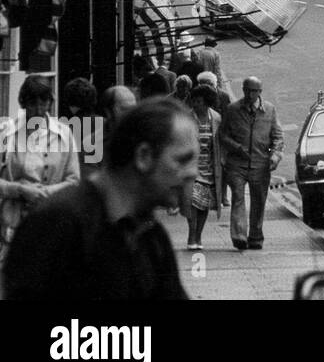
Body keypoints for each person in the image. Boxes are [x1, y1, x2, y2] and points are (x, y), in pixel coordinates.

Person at [1, 97, 195, 300]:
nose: (193, 172)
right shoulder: (56, 224)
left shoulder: (150, 235)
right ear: (144, 157)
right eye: (183, 159)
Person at [0, 76, 81, 268]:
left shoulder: (64, 133)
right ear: (23, 103)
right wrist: (19, 189)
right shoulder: (6, 132)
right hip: (13, 221)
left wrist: (46, 193)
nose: (38, 109)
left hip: (51, 219)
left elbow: (73, 179)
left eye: (43, 102)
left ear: (50, 103)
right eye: (32, 103)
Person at [220, 77, 283, 250]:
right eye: (247, 90)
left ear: (260, 92)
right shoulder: (232, 109)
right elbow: (223, 135)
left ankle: (255, 236)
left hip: (260, 164)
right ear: (243, 89)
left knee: (258, 200)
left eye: (253, 91)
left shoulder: (269, 110)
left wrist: (275, 156)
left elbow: (278, 137)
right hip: (237, 164)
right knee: (238, 198)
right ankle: (239, 236)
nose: (249, 94)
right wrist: (236, 147)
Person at [184, 84, 223, 251]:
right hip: (192, 168)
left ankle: (198, 235)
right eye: (193, 100)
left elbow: (220, 142)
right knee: (193, 201)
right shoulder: (187, 117)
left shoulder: (216, 118)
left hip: (210, 167)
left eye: (198, 101)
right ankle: (191, 235)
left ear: (206, 102)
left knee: (204, 204)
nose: (195, 104)